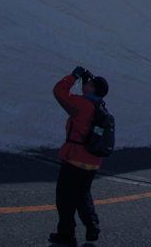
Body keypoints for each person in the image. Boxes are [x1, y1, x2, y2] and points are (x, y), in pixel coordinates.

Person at [49, 66, 109, 247]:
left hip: (76, 159)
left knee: (65, 197)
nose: (86, 85)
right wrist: (87, 80)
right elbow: (90, 94)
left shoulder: (81, 105)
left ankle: (66, 234)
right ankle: (92, 225)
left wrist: (73, 76)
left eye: (89, 84)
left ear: (93, 89)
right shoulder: (101, 106)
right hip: (93, 161)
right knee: (82, 194)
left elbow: (59, 91)